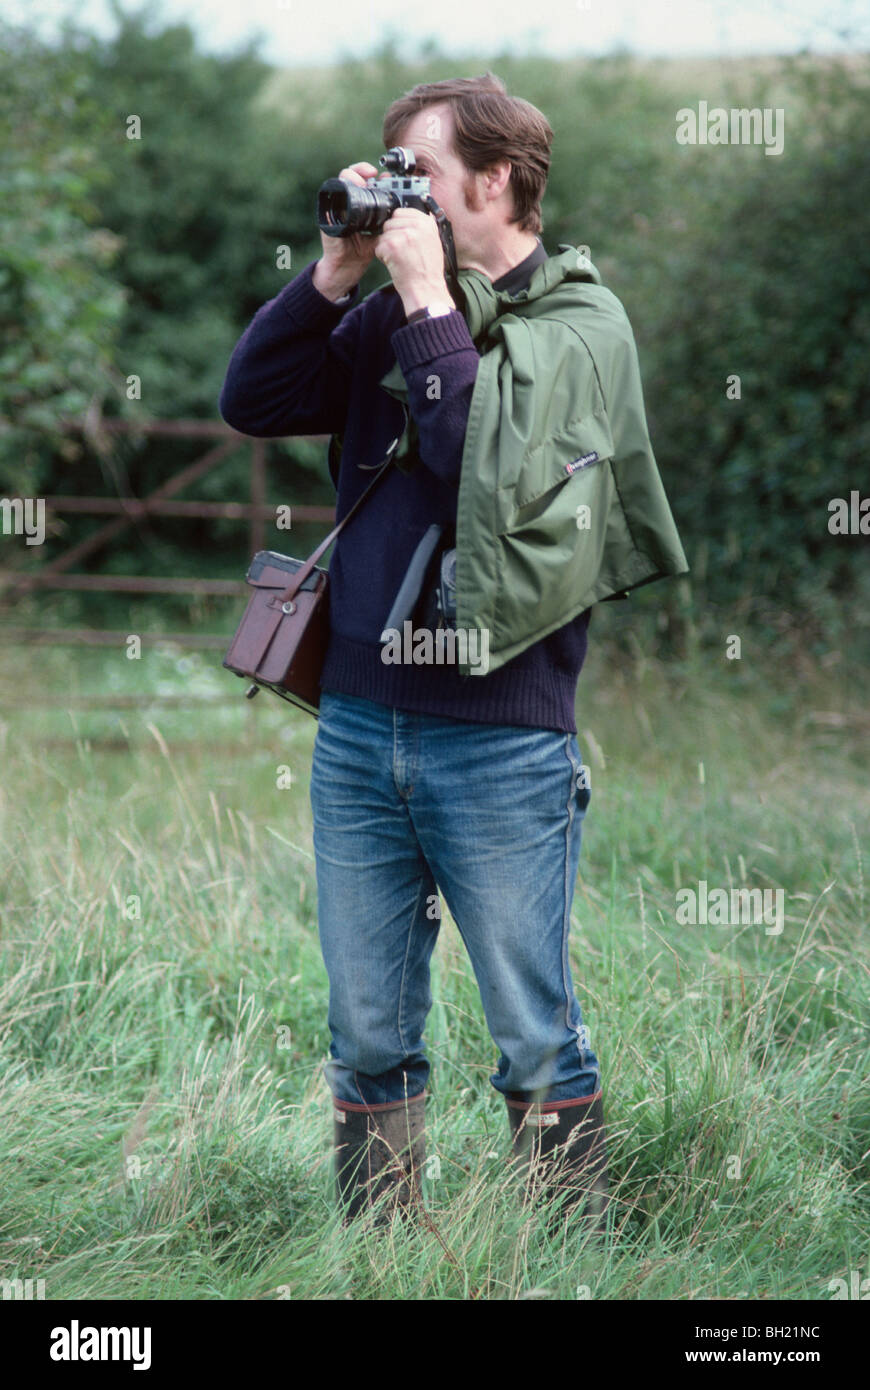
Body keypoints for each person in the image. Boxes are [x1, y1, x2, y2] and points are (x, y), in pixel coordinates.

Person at [219, 73, 687, 1231]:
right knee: (368, 1026)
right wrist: (336, 275)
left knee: (530, 1018)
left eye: (418, 173)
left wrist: (428, 300)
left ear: (495, 179)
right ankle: (384, 1253)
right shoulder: (383, 305)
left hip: (502, 734)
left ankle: (567, 1247)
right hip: (361, 723)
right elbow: (254, 398)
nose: (402, 195)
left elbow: (487, 467)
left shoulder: (581, 326)